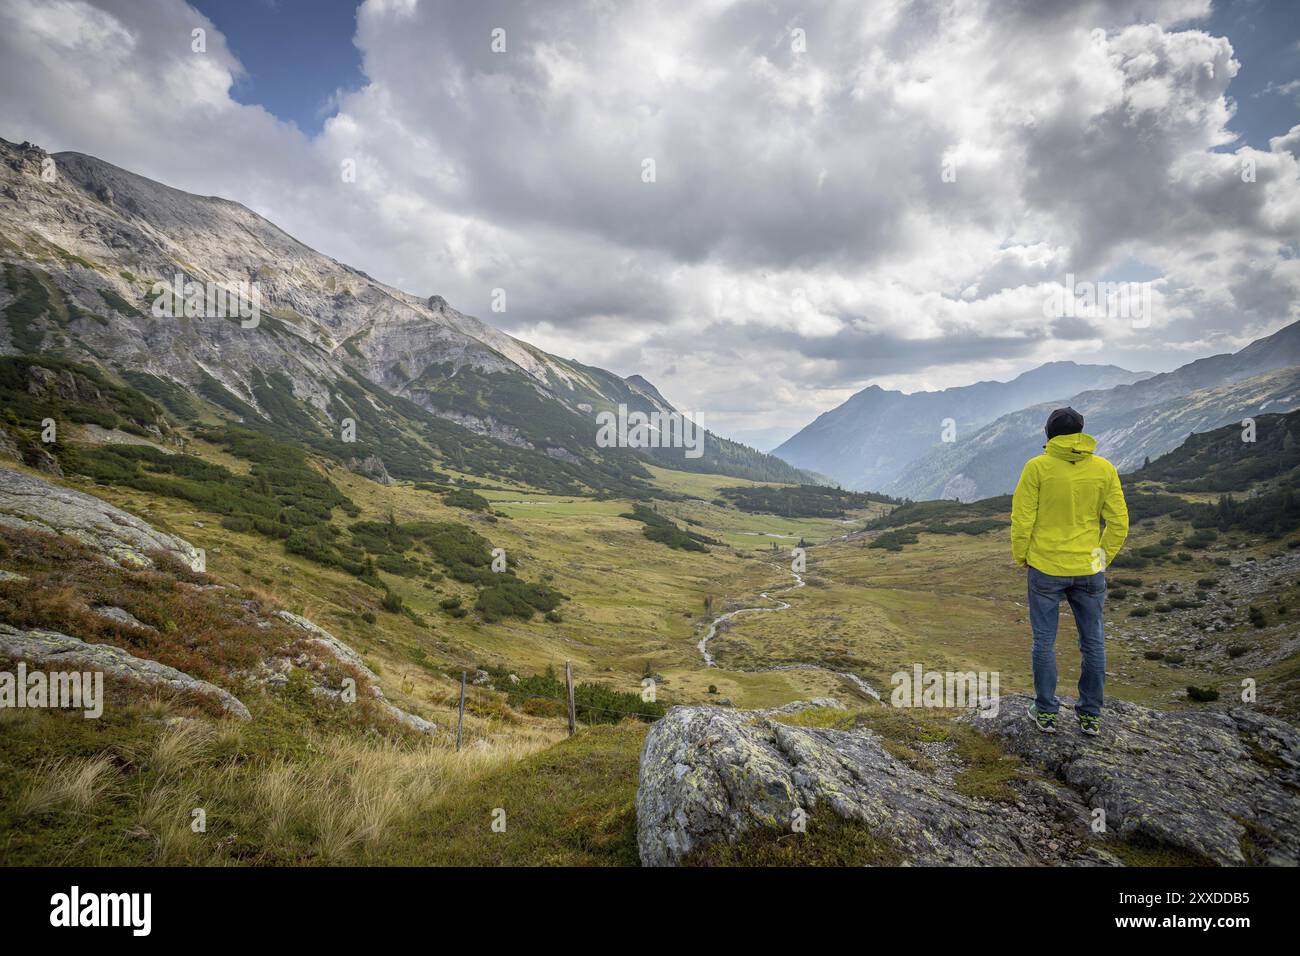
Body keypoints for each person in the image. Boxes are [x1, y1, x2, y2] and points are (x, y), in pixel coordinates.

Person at [1010, 407, 1128, 736]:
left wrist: (1023, 555)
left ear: (1049, 434)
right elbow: (1119, 521)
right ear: (1081, 433)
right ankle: (1090, 715)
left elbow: (1022, 518)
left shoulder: (1037, 467)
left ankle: (1046, 712)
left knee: (1044, 641)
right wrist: (1101, 558)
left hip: (1046, 566)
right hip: (1089, 570)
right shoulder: (1104, 469)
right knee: (1093, 642)